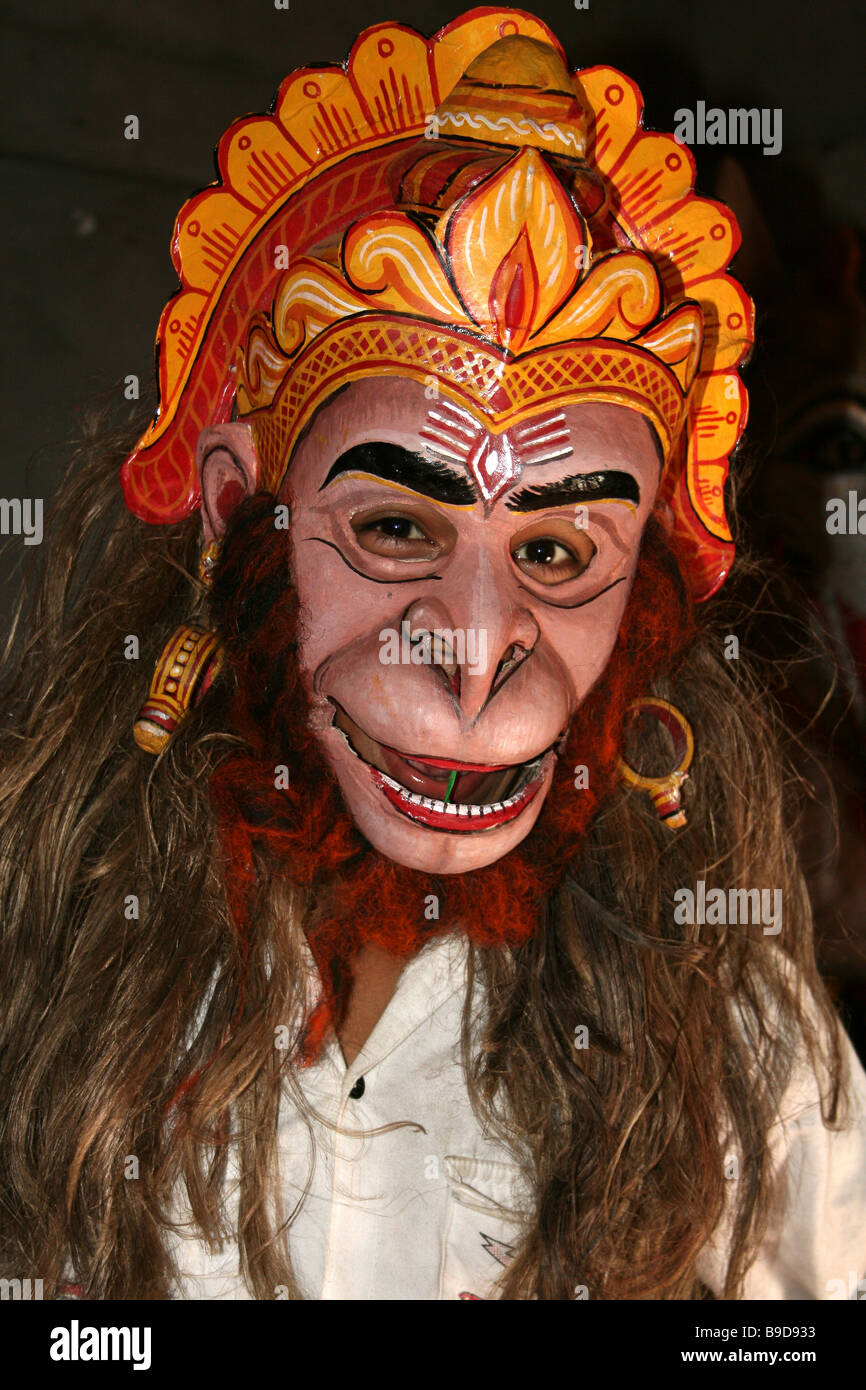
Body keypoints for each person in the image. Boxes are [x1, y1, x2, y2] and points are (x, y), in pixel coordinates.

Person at [1, 7, 864, 1301]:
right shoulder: (33, 931)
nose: (473, 650)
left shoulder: (735, 1023)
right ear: (242, 511)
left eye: (559, 553)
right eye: (396, 524)